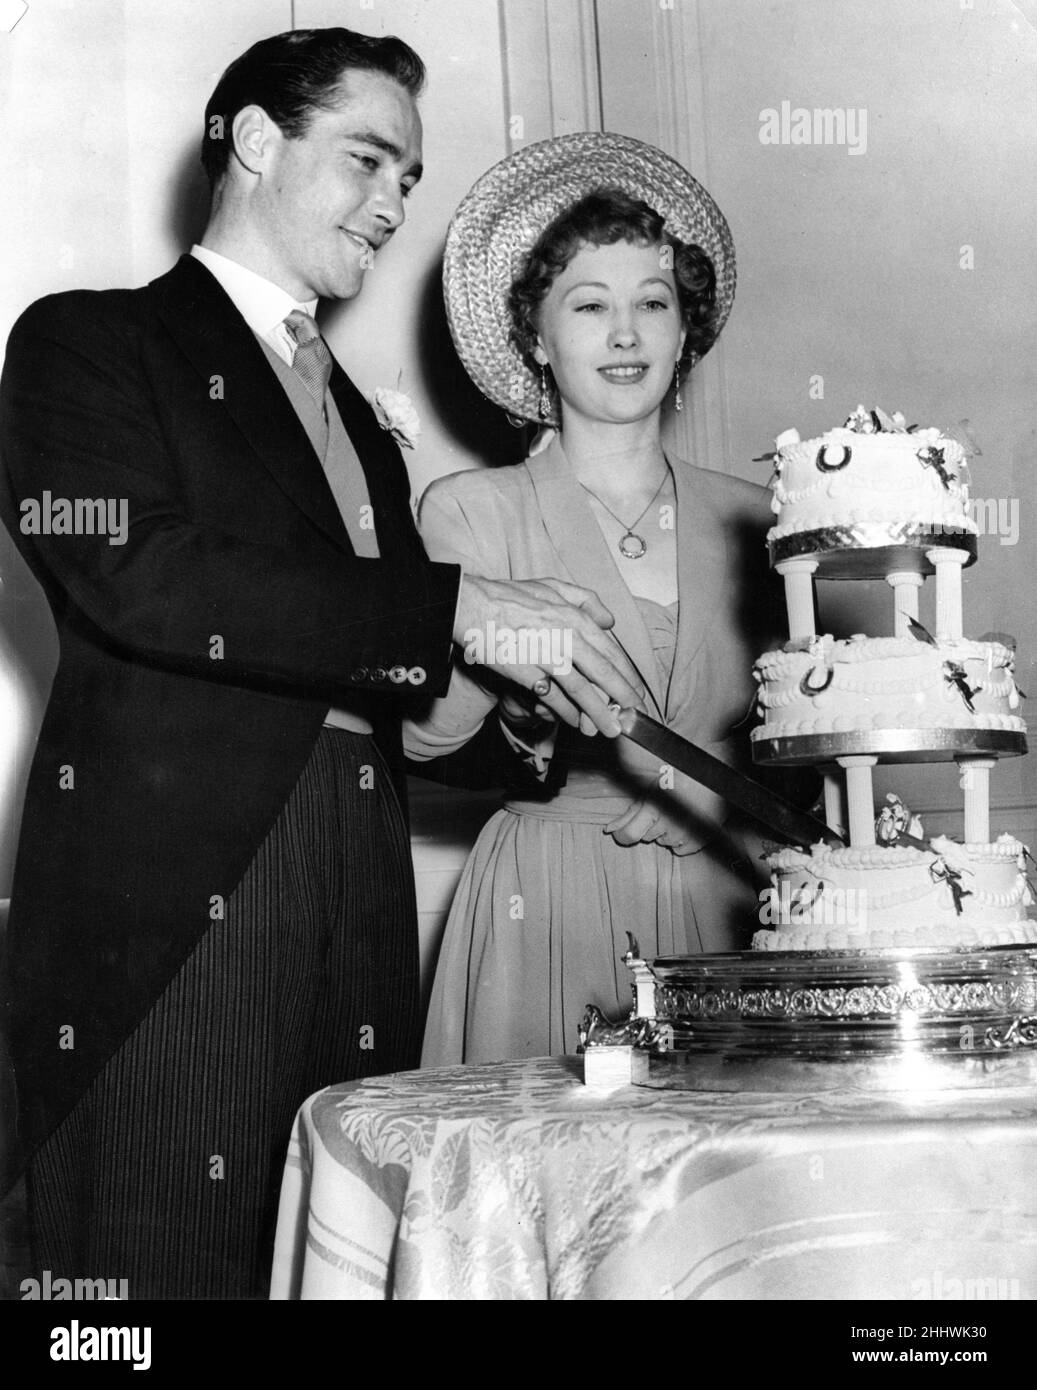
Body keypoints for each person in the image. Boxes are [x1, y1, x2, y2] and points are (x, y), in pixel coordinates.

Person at [0, 31, 642, 1299]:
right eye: (368, 159)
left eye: (410, 175)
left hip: (354, 885)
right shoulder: (87, 342)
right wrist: (456, 604)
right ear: (250, 141)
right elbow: (138, 569)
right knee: (144, 1280)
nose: (396, 204)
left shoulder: (353, 413)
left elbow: (377, 681)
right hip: (180, 903)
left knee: (321, 1266)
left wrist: (523, 719)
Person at [406, 134, 781, 1064]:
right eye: (589, 306)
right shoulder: (470, 511)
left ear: (684, 330)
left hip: (722, 901)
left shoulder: (760, 518)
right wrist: (518, 698)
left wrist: (720, 794)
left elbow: (800, 738)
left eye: (652, 304)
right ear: (535, 336)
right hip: (546, 898)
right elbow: (420, 736)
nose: (625, 334)